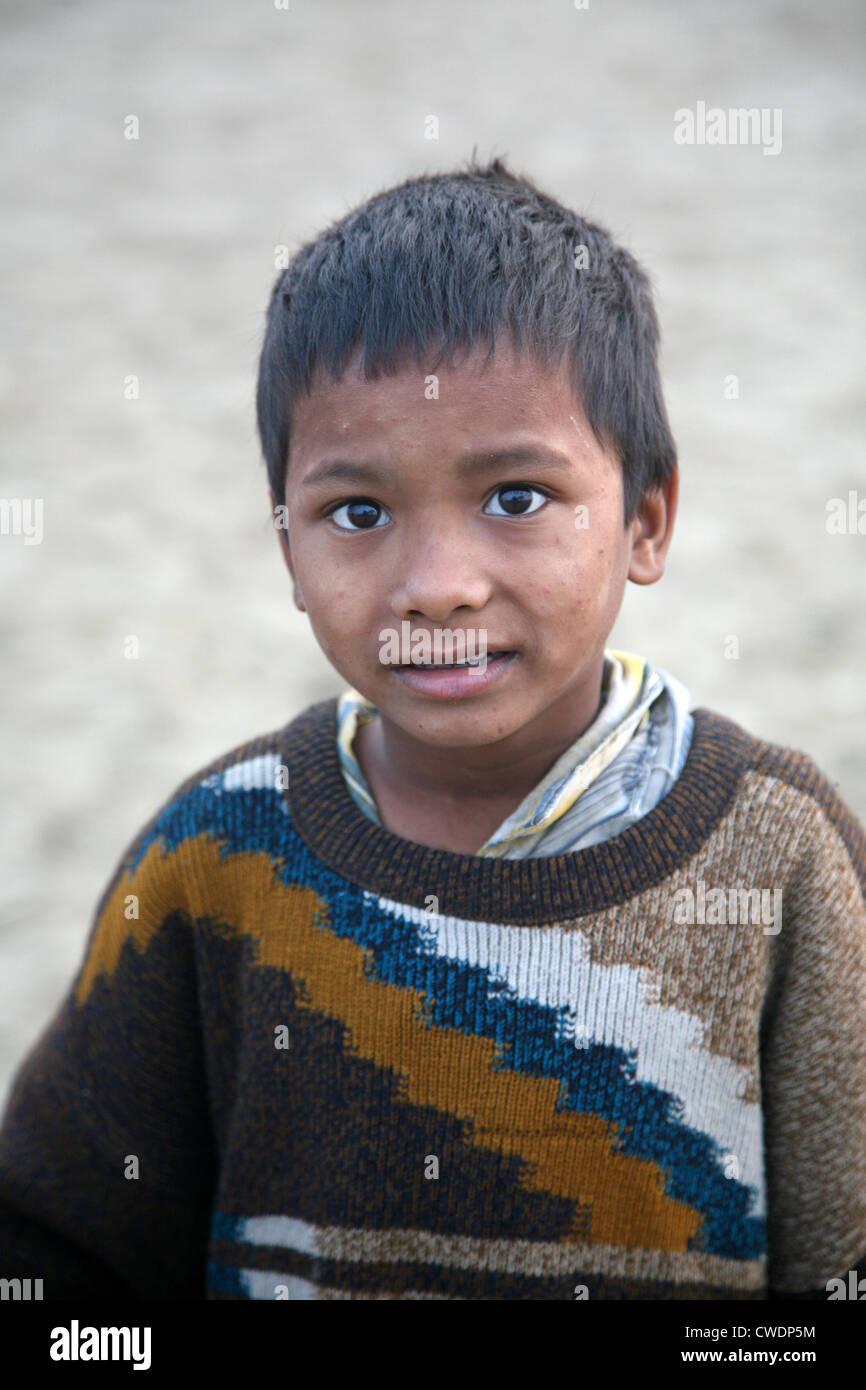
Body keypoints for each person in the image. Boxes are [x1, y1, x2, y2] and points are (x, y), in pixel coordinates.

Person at [1, 157, 863, 1301]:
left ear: (645, 520)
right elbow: (58, 1241)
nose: (436, 586)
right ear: (286, 551)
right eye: (356, 512)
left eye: (515, 497)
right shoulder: (215, 857)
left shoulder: (777, 859)